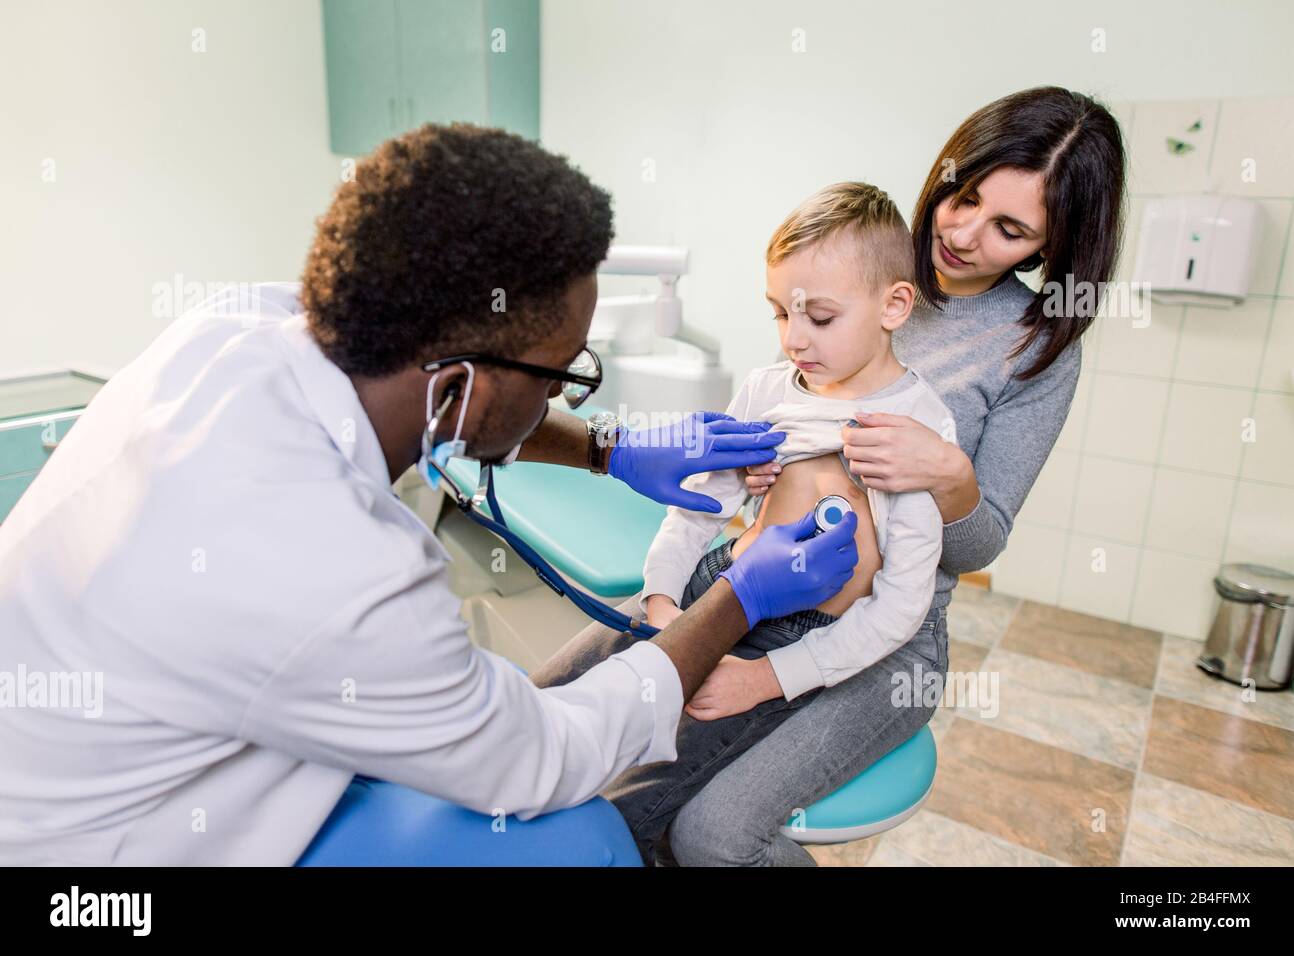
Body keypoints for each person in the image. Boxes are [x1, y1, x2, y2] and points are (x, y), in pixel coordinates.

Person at [0, 123, 859, 866]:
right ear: (461, 385)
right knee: (583, 840)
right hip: (96, 869)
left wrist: (611, 448)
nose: (565, 395)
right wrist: (741, 599)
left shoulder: (241, 326)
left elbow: (463, 402)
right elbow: (542, 760)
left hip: (73, 751)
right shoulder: (341, 573)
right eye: (563, 374)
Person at [541, 86, 1127, 865]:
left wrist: (948, 474)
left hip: (880, 635)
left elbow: (974, 549)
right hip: (741, 577)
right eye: (964, 195)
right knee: (543, 717)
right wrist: (709, 524)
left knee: (703, 833)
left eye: (1009, 229)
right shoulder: (852, 264)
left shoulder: (1032, 350)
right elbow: (711, 502)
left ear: (1050, 247)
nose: (963, 231)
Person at [532, 180, 953, 864]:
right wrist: (665, 599)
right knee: (540, 711)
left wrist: (767, 678)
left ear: (894, 306)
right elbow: (698, 511)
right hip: (715, 587)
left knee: (632, 808)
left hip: (792, 637)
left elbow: (902, 605)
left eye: (820, 317)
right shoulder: (765, 390)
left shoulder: (915, 429)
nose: (794, 339)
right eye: (780, 314)